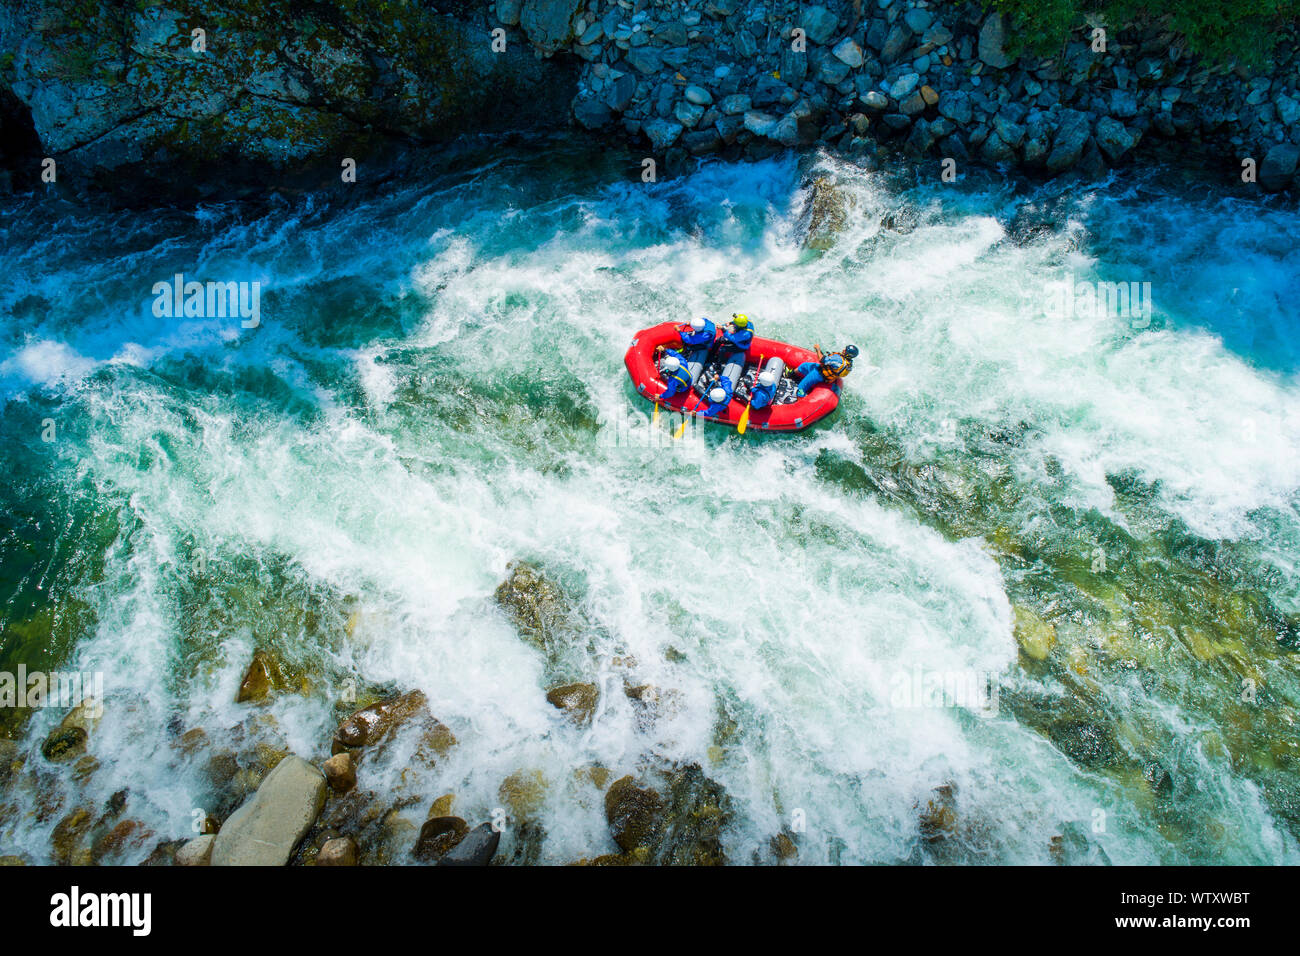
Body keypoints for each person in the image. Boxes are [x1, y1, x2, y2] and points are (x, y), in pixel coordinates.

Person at [792, 344, 859, 397]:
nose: (844, 350)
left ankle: (799, 397)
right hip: (825, 373)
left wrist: (818, 349)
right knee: (804, 366)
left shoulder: (838, 359)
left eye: (846, 350)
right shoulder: (849, 364)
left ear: (848, 354)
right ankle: (792, 375)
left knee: (801, 387)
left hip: (818, 374)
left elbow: (822, 360)